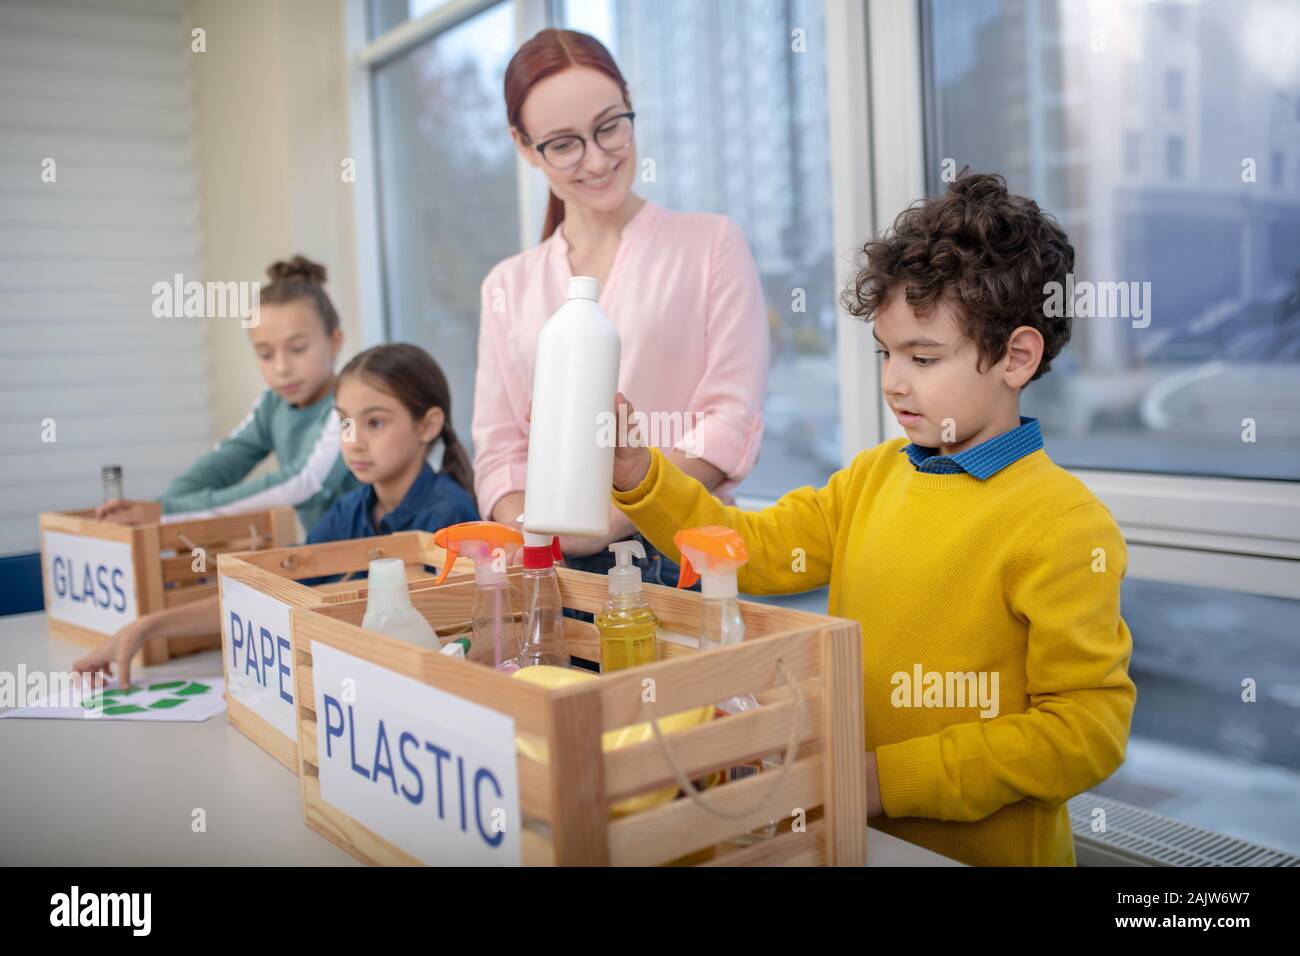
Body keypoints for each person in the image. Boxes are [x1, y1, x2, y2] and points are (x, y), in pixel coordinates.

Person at [607, 172, 1136, 867]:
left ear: (1016, 356)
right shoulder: (873, 476)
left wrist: (884, 778)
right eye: (886, 352)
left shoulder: (1062, 524)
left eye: (923, 357)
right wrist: (639, 474)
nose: (893, 379)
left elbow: (1084, 731)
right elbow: (751, 549)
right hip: (858, 845)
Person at [473, 28, 769, 586]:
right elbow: (499, 451)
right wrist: (535, 537)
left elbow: (728, 420)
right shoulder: (507, 284)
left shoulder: (711, 246)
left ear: (630, 103)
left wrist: (608, 520)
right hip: (550, 568)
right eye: (563, 143)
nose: (597, 158)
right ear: (522, 145)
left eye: (609, 126)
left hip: (675, 553)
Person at [73, 344, 478, 688]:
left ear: (428, 425)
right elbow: (271, 588)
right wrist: (146, 627)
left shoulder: (451, 514)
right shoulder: (351, 508)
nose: (352, 441)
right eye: (344, 423)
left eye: (375, 422)